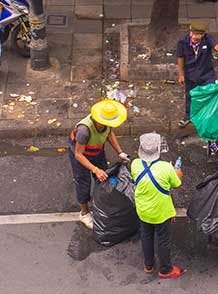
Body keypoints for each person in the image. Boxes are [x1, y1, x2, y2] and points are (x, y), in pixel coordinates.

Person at [68, 99, 129, 229]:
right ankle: (84, 212)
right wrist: (95, 169)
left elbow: (109, 134)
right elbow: (78, 154)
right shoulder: (84, 131)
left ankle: (101, 202)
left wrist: (120, 152)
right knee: (83, 182)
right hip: (82, 155)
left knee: (104, 178)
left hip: (96, 151)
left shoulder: (107, 124)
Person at [130, 132, 184, 279]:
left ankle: (148, 265)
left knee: (146, 235)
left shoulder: (135, 164)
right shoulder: (166, 167)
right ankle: (165, 270)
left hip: (143, 210)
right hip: (161, 212)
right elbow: (177, 183)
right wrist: (177, 171)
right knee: (163, 239)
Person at [177, 22, 218, 130]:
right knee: (190, 96)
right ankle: (188, 116)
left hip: (206, 74)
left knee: (208, 95)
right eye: (193, 34)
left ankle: (206, 117)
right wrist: (181, 74)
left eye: (198, 35)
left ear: (203, 34)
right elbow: (180, 58)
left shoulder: (208, 39)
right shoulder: (182, 42)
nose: (194, 37)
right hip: (190, 75)